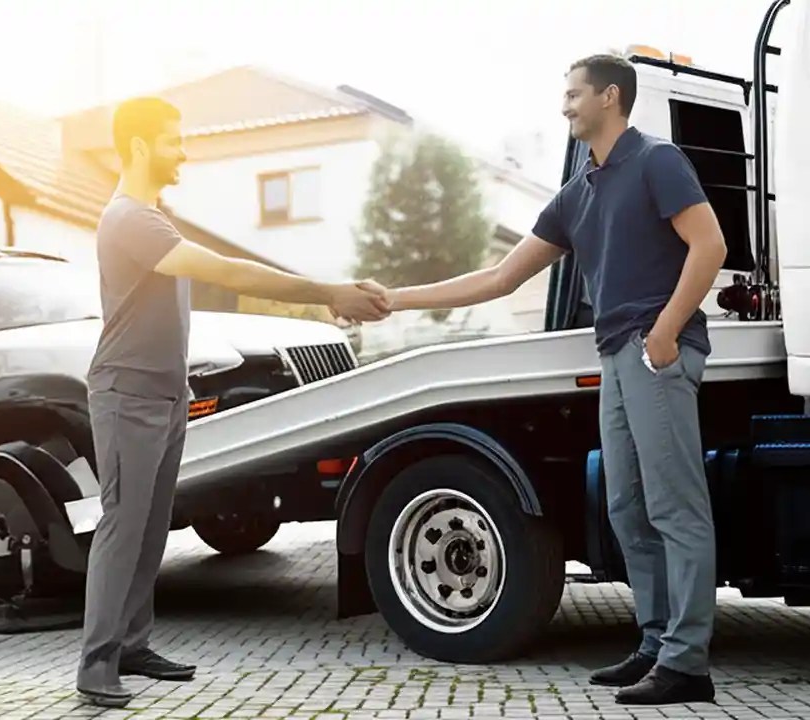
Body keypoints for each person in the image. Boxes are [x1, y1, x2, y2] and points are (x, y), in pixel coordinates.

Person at [372, 54, 728, 706]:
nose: (564, 106)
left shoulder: (657, 161)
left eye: (573, 94)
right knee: (627, 507)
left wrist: (666, 332)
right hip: (614, 355)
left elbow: (709, 245)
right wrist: (395, 299)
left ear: (610, 97)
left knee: (676, 507)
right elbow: (499, 279)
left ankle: (687, 661)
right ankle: (654, 645)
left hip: (654, 352)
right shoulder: (578, 193)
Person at [75, 96, 391, 709]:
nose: (183, 151)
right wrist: (326, 290)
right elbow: (230, 270)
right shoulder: (129, 219)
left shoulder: (153, 217)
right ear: (140, 146)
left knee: (150, 530)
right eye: (173, 140)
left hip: (165, 391)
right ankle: (97, 663)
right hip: (126, 393)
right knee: (123, 525)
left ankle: (132, 645)